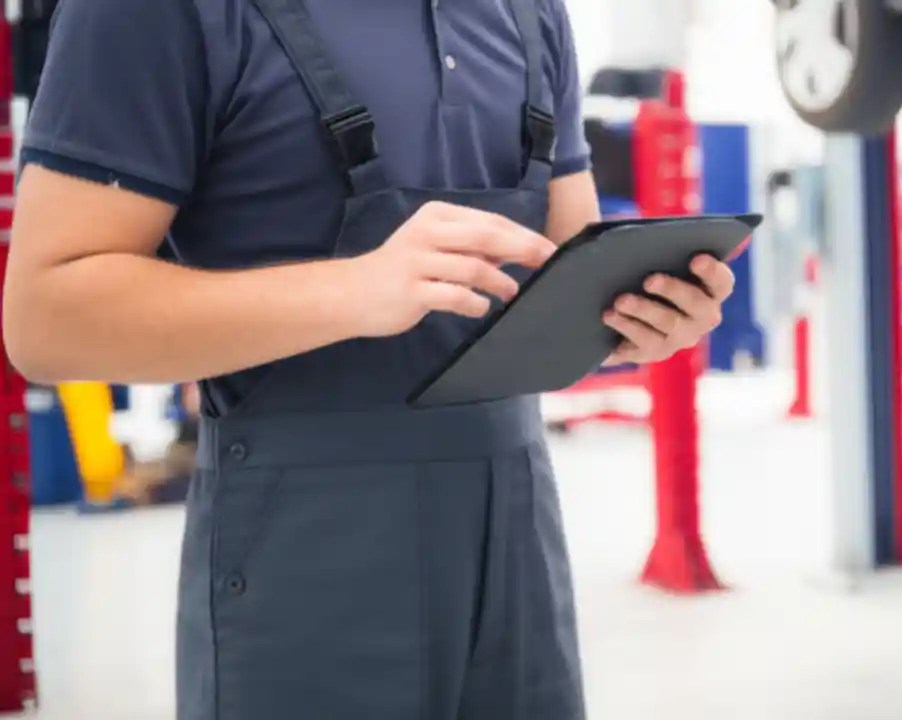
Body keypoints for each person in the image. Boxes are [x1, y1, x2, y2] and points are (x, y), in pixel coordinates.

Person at [1, 0, 738, 717]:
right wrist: (352, 292)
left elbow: (564, 264)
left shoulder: (531, 13)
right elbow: (45, 320)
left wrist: (639, 314)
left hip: (516, 551)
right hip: (305, 562)